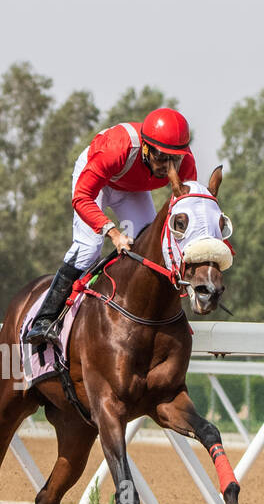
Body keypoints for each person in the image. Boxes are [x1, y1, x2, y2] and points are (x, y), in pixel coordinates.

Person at [24, 107, 197, 346]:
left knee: (149, 245)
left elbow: (191, 210)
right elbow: (81, 197)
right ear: (145, 147)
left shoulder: (185, 162)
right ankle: (45, 318)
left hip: (130, 190)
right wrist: (113, 233)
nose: (168, 168)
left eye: (174, 160)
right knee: (90, 246)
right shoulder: (117, 148)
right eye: (161, 158)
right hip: (97, 183)